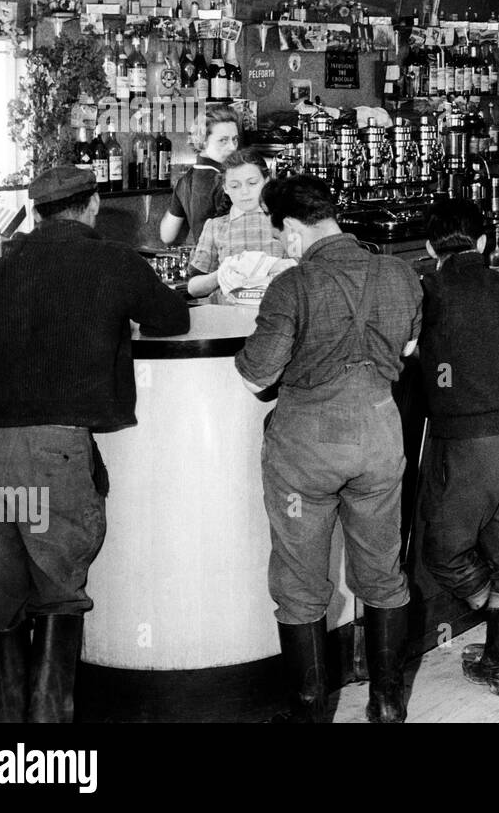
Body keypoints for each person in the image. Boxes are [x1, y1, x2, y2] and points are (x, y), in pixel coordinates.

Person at [0, 165, 189, 723]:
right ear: (90, 207)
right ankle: (46, 746)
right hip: (52, 451)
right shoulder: (113, 260)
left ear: (38, 214)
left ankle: (10, 742)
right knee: (59, 596)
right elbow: (173, 317)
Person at [234, 175, 422, 724]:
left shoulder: (292, 285)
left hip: (306, 446)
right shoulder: (399, 272)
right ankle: (388, 704)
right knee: (383, 570)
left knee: (299, 581)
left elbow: (256, 377)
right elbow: (409, 347)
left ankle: (309, 713)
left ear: (292, 229)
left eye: (281, 236)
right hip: (380, 435)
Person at [415, 200, 499, 698]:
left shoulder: (428, 291)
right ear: (485, 243)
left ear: (429, 249)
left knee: (444, 549)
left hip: (471, 442)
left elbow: (409, 351)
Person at [185, 148, 291, 301]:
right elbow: (194, 288)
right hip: (229, 317)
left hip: (276, 311)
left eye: (252, 183)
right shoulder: (215, 226)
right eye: (235, 186)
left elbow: (305, 272)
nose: (245, 192)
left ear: (267, 181)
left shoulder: (285, 222)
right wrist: (223, 273)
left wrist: (275, 266)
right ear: (225, 188)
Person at [159, 105, 241, 246]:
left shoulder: (184, 181)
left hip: (202, 261)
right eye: (223, 140)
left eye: (235, 139)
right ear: (203, 141)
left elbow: (167, 236)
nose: (233, 147)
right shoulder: (225, 181)